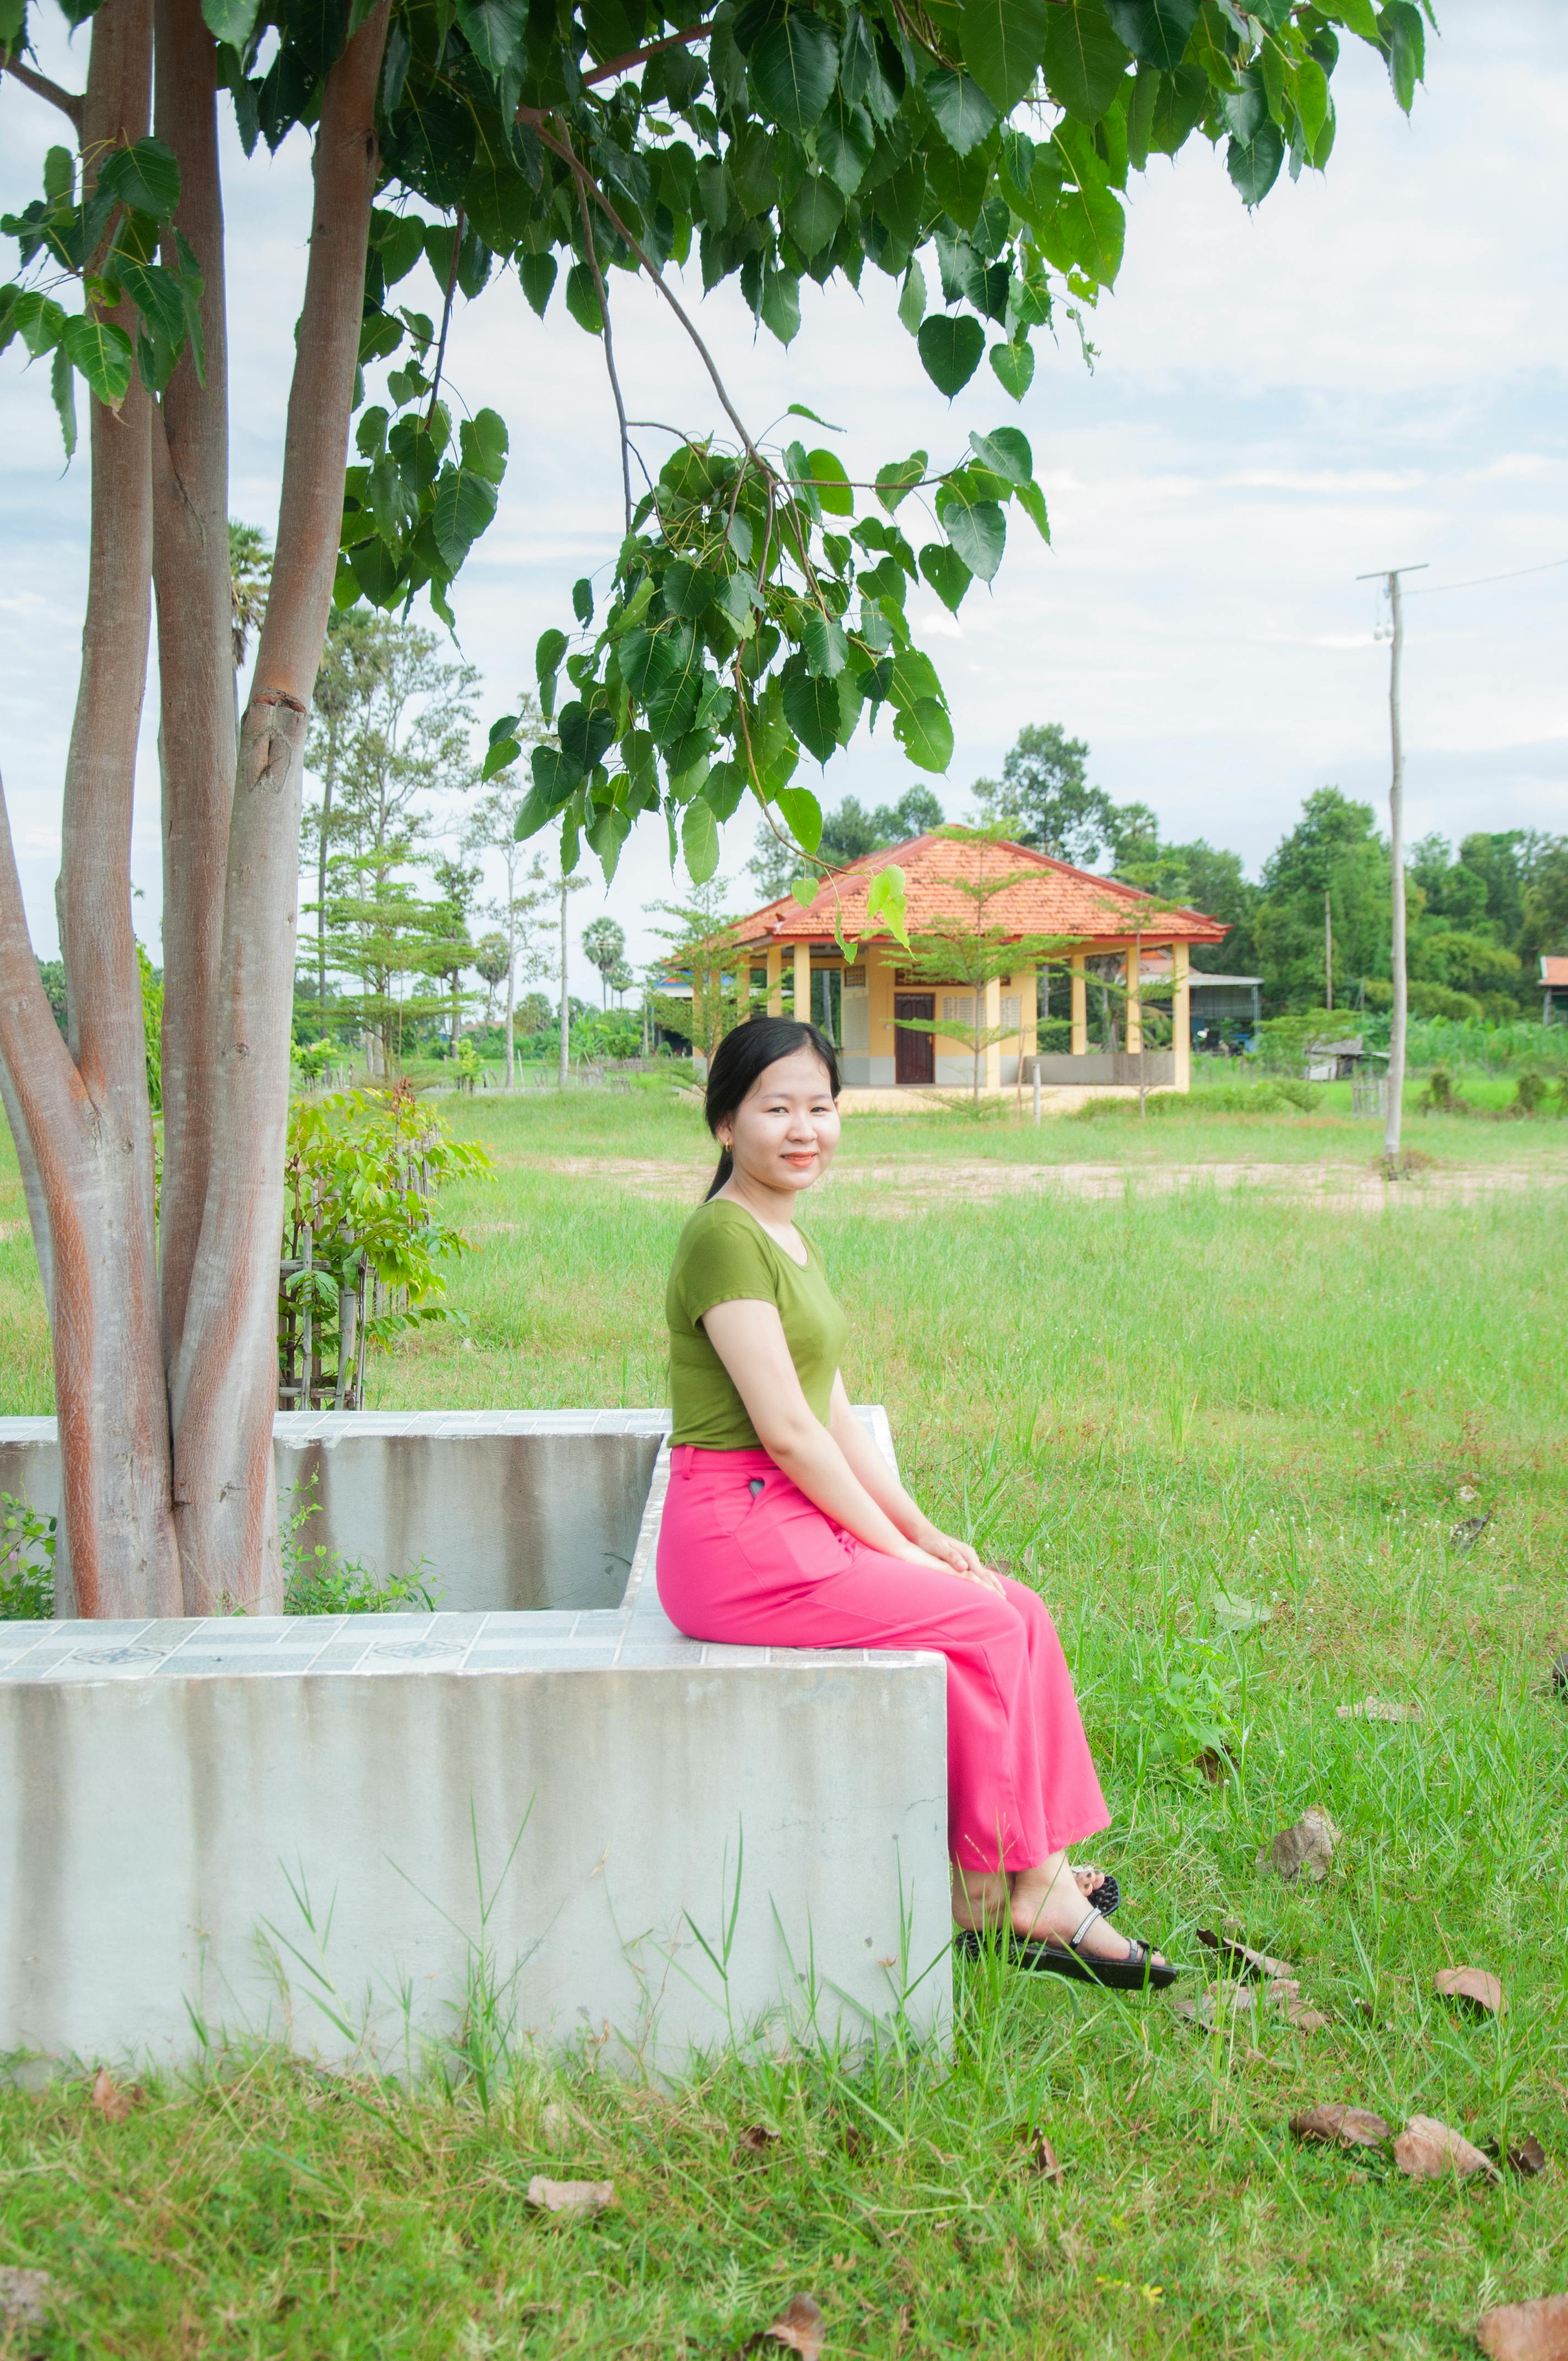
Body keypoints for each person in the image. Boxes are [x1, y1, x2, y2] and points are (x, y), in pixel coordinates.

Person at [657, 1015, 1177, 1989]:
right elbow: (788, 1432)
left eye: (820, 1106)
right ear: (727, 1123)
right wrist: (894, 1556)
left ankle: (1038, 1877)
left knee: (1018, 1608)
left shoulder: (781, 1232)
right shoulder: (725, 1239)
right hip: (739, 1537)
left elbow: (838, 1415)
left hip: (781, 1519)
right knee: (981, 1625)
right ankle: (999, 1896)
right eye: (777, 1108)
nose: (804, 1128)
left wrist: (925, 1531)